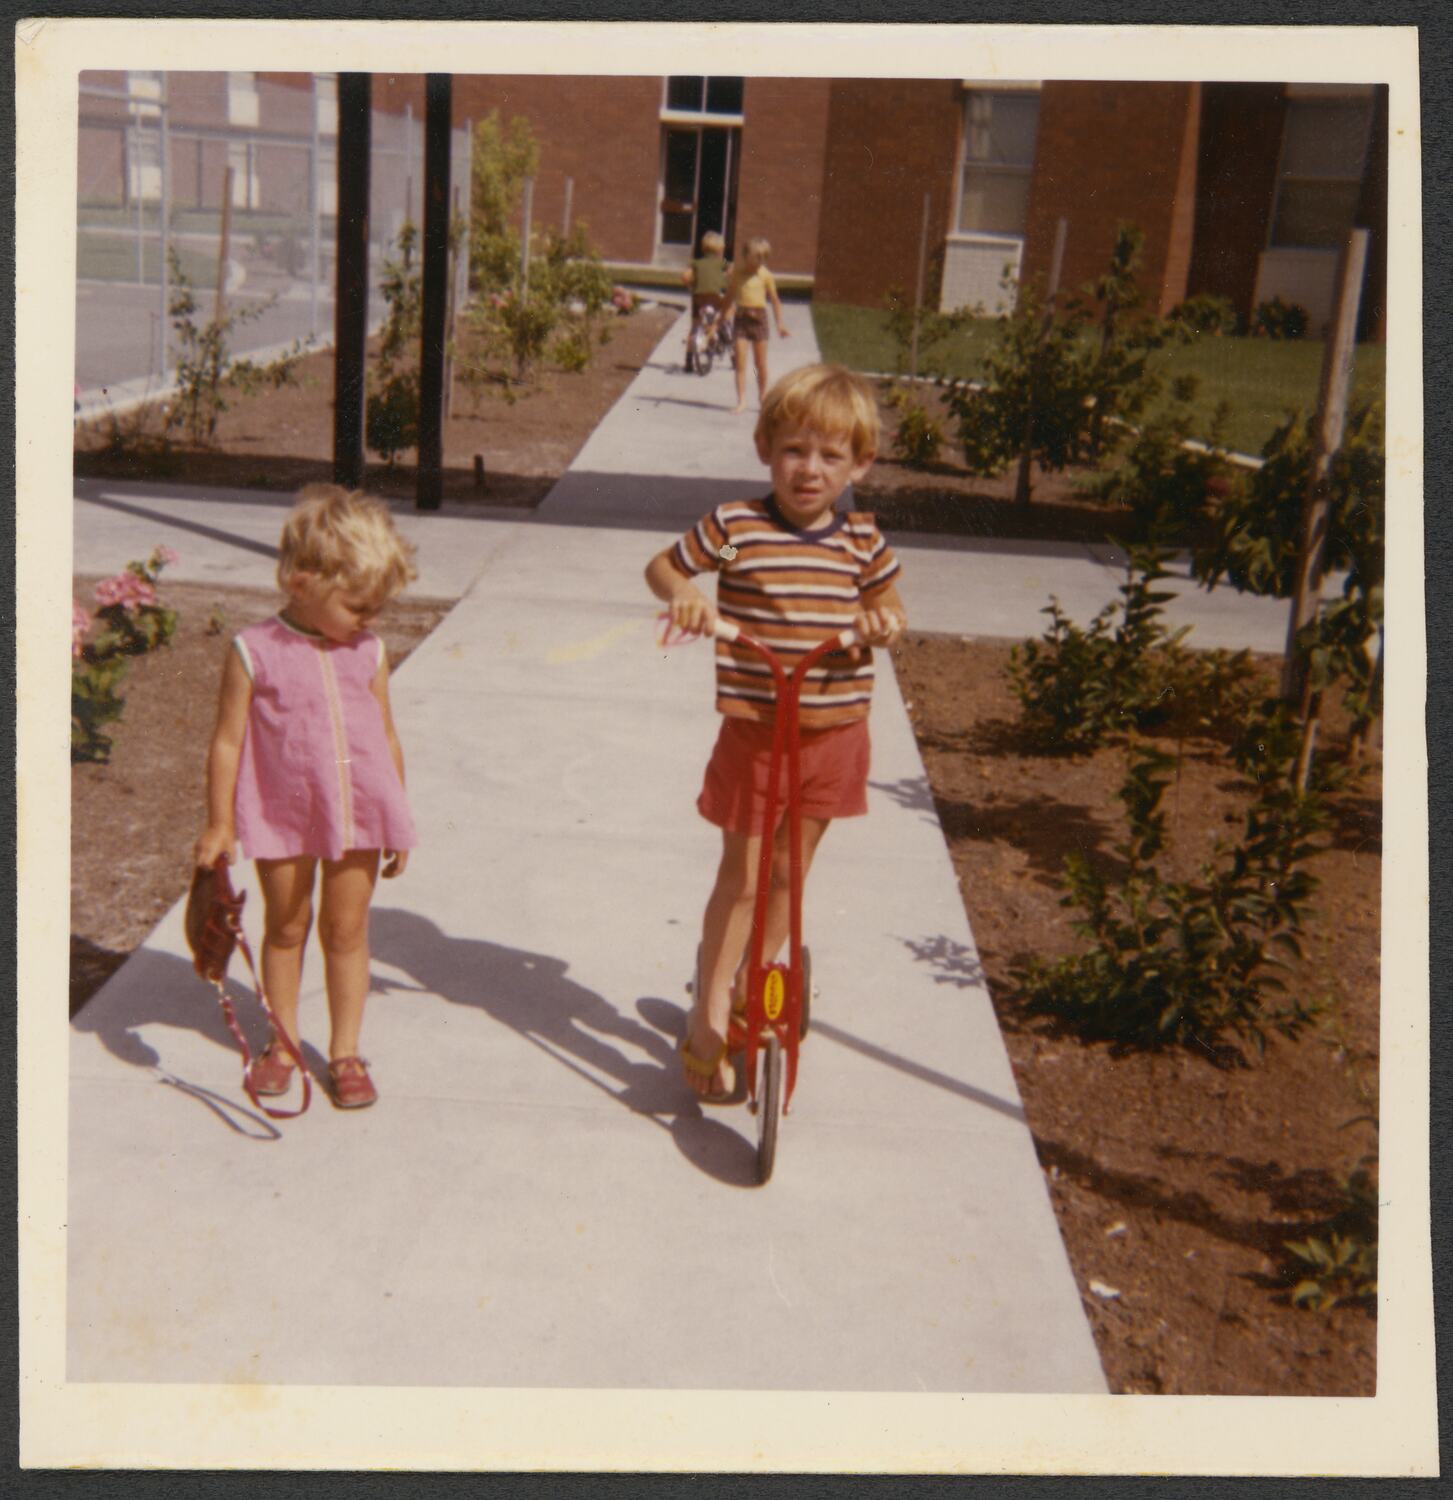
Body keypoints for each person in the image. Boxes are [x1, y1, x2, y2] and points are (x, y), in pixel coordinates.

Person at [644, 364, 907, 1101]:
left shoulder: (859, 540)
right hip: (758, 733)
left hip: (834, 733)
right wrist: (688, 596)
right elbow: (667, 567)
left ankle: (744, 988)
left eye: (830, 456)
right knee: (743, 879)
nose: (809, 469)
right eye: (794, 450)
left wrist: (879, 622)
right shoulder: (738, 531)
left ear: (860, 464)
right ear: (765, 447)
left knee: (790, 877)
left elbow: (887, 603)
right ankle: (707, 1014)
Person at [193, 485, 419, 1110]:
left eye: (377, 605)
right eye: (357, 604)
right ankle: (282, 1041)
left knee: (347, 931)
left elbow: (385, 734)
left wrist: (396, 816)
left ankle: (345, 1051)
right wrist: (219, 823)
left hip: (360, 816)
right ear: (301, 581)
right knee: (287, 926)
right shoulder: (254, 651)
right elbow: (227, 744)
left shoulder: (368, 650)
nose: (369, 618)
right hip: (283, 815)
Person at [713, 235, 790, 413]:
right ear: (745, 256)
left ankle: (762, 396)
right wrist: (719, 319)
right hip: (741, 318)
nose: (760, 263)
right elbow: (729, 298)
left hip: (759, 319)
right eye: (757, 258)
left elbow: (775, 300)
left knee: (759, 364)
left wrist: (780, 324)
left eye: (763, 259)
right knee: (740, 361)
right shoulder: (737, 273)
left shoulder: (765, 275)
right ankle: (741, 400)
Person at [681, 230, 728, 371]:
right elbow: (731, 272)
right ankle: (712, 333)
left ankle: (688, 361)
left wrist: (691, 287)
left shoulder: (696, 262)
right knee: (727, 310)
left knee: (695, 326)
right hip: (715, 297)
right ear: (720, 249)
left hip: (698, 298)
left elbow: (685, 276)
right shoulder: (722, 262)